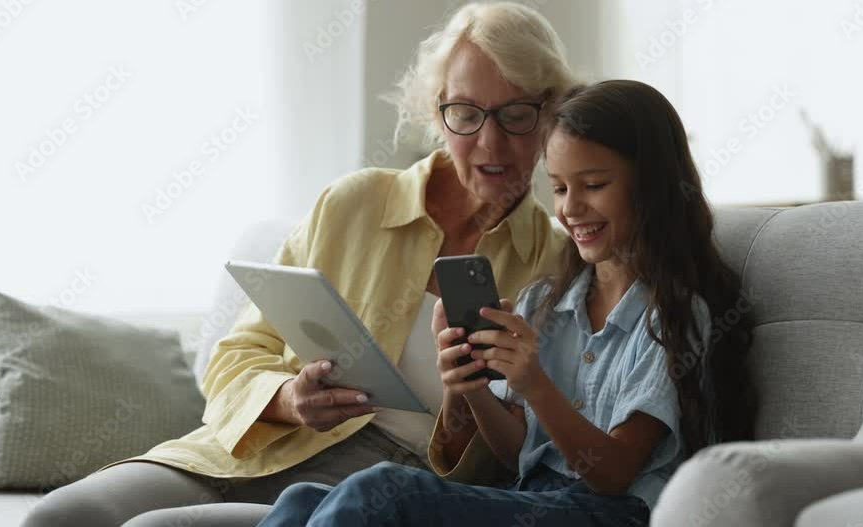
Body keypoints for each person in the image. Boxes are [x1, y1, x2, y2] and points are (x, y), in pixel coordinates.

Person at [21, 3, 578, 526]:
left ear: (551, 114)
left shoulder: (556, 263)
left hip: (381, 482)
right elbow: (236, 355)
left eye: (517, 113)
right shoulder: (353, 205)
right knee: (60, 518)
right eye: (466, 113)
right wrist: (288, 399)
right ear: (438, 113)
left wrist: (465, 405)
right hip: (252, 445)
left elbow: (524, 458)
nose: (491, 142)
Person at [257, 80, 758, 526]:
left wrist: (534, 383)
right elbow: (515, 451)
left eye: (594, 185)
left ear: (652, 186)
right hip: (532, 498)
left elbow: (613, 473)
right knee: (302, 498)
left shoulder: (672, 317)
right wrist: (471, 386)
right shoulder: (548, 300)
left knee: (379, 490)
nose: (571, 208)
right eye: (559, 188)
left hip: (613, 511)